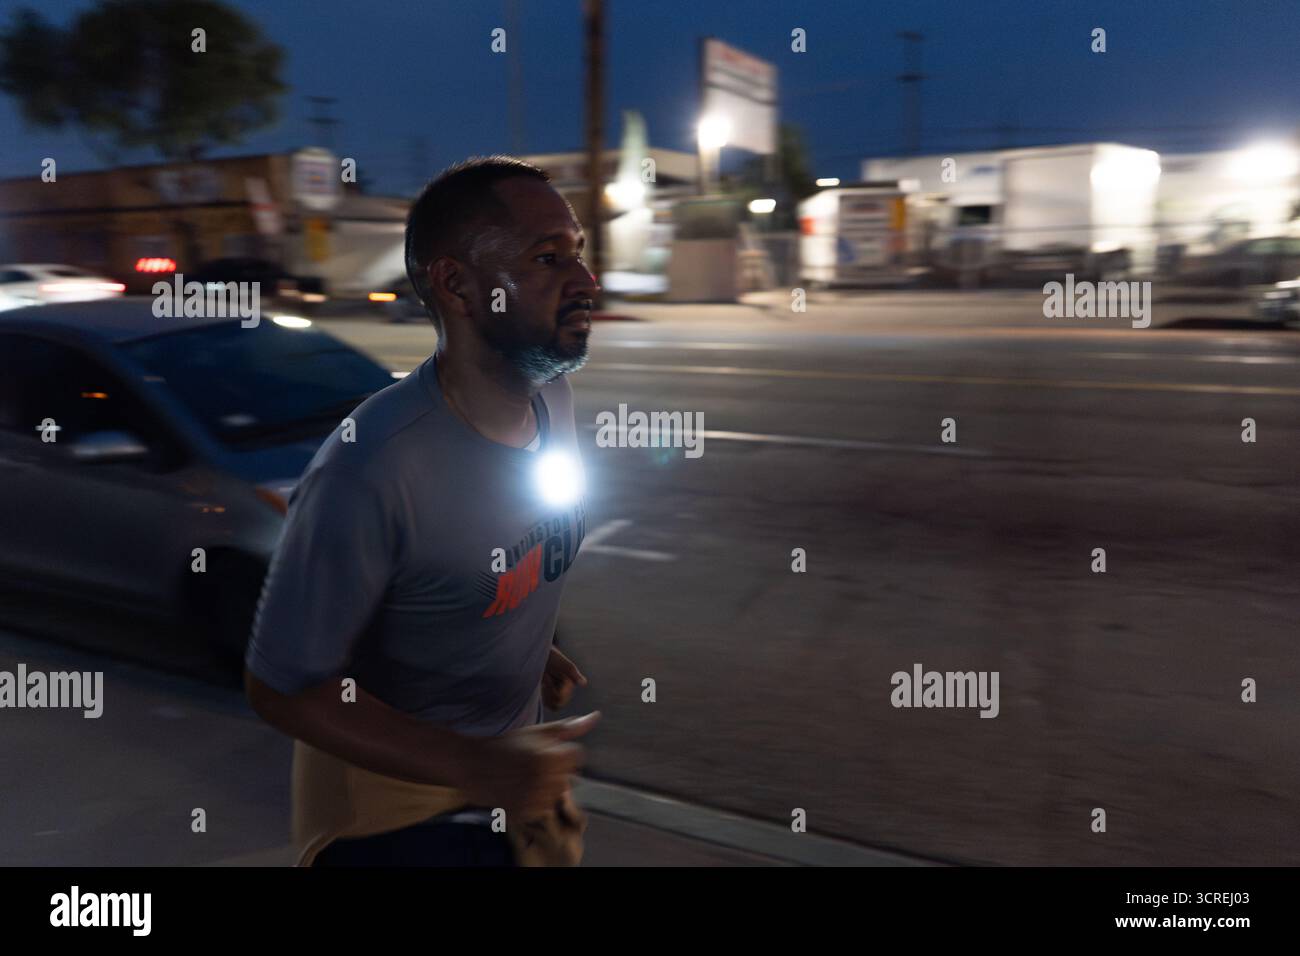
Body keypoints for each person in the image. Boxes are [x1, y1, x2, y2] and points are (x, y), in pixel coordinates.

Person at [243, 155, 600, 866]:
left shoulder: (549, 395)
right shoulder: (372, 466)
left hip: (510, 783)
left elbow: (476, 557)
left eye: (579, 253)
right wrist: (479, 766)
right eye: (546, 257)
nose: (586, 281)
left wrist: (516, 642)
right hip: (397, 819)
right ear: (458, 286)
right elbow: (282, 686)